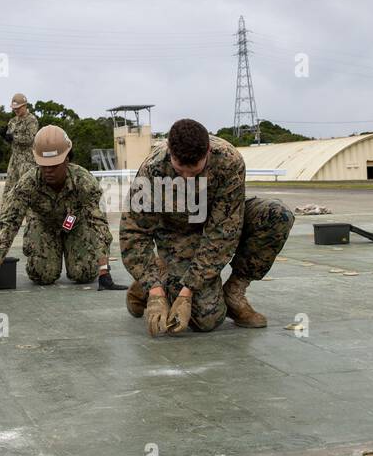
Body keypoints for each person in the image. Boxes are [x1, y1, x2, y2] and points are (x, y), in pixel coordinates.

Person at [120, 118, 294, 335]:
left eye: (194, 170)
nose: (187, 176)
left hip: (220, 224)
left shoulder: (229, 161)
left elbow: (223, 233)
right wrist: (155, 290)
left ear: (208, 151)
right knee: (206, 320)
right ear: (170, 152)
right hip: (179, 233)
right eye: (180, 169)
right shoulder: (152, 169)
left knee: (277, 215)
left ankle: (235, 292)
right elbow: (133, 232)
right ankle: (157, 278)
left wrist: (188, 291)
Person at [0, 125, 124, 290]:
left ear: (67, 160)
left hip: (76, 225)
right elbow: (9, 221)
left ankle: (80, 258)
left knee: (84, 274)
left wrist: (103, 270)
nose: (48, 171)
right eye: (43, 165)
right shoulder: (28, 183)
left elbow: (97, 223)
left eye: (54, 165)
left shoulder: (84, 182)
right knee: (41, 275)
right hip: (43, 224)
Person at [3, 93, 39, 197]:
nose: (16, 110)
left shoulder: (31, 120)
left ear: (25, 106)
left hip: (27, 161)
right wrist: (5, 137)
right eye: (14, 108)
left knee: (26, 191)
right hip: (14, 161)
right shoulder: (12, 121)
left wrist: (13, 137)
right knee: (9, 192)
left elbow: (30, 139)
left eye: (18, 108)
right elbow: (10, 142)